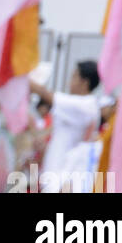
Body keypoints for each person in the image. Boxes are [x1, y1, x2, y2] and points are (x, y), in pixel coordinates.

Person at [29, 60, 100, 192]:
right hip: (54, 177)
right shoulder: (79, 106)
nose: (69, 82)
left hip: (64, 180)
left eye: (74, 77)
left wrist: (23, 79)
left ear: (85, 83)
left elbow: (46, 95)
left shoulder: (86, 105)